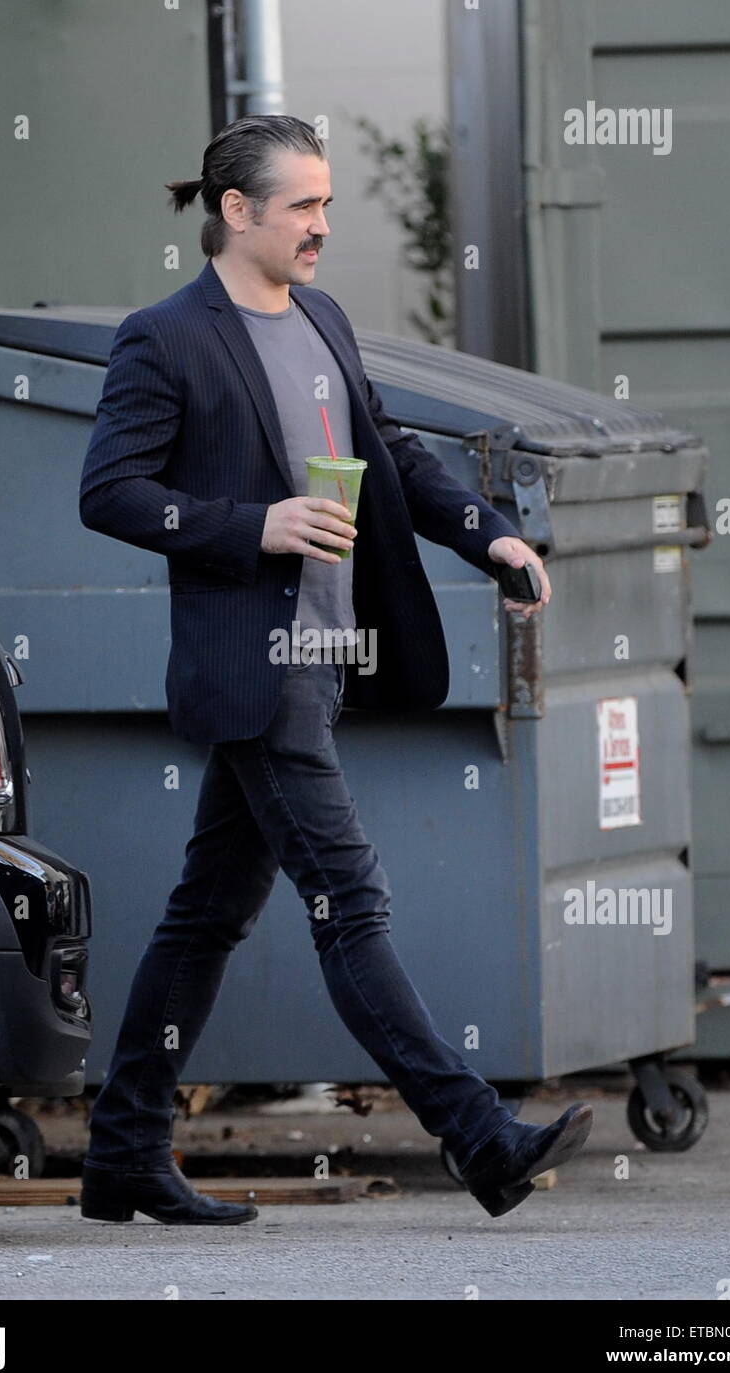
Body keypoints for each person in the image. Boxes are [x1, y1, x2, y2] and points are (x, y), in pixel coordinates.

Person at [77, 114, 592, 1228]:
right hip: (250, 664)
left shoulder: (321, 317)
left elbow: (389, 454)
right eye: (302, 205)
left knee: (205, 913)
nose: (320, 225)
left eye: (325, 203)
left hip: (324, 654)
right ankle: (478, 1136)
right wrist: (250, 525)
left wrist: (489, 533)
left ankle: (121, 1148)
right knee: (349, 899)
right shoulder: (164, 339)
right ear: (236, 210)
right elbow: (108, 490)